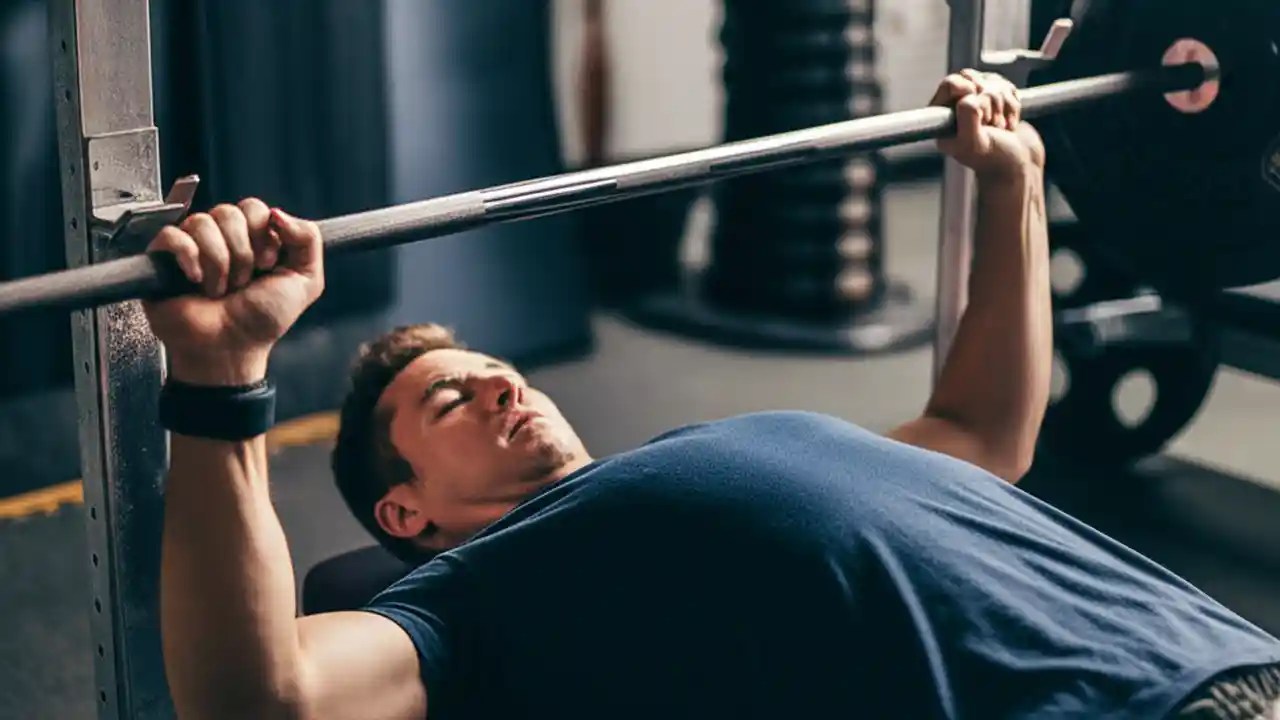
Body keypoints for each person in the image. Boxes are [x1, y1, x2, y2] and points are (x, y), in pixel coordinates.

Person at [148, 72, 1280, 720]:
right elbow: (264, 701)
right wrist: (222, 371)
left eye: (493, 370)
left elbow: (985, 432)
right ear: (405, 515)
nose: (496, 380)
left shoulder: (680, 471)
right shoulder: (472, 603)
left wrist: (1011, 181)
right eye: (447, 402)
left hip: (1231, 655)